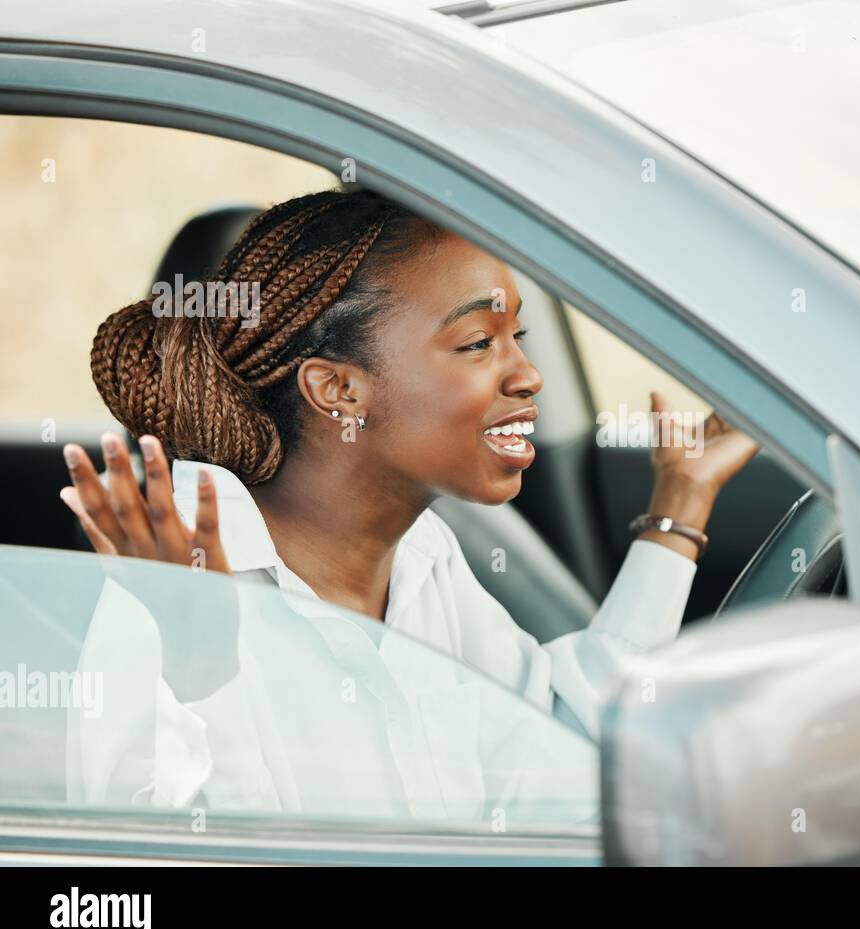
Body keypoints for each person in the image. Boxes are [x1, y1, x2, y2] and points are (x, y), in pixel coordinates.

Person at [57, 189, 758, 823]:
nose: (529, 373)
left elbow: (556, 755)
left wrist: (681, 501)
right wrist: (200, 671)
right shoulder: (171, 582)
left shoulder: (423, 558)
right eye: (479, 342)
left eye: (520, 337)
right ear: (338, 389)